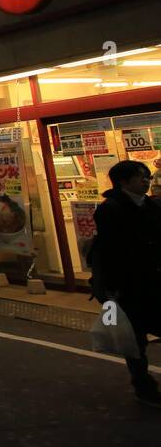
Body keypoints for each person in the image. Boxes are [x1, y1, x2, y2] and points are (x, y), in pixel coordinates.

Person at [91, 159, 161, 405]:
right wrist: (111, 288)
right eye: (140, 176)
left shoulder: (151, 205)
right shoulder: (110, 208)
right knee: (136, 338)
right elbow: (112, 250)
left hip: (154, 280)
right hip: (129, 285)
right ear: (124, 181)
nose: (146, 180)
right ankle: (143, 385)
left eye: (147, 176)